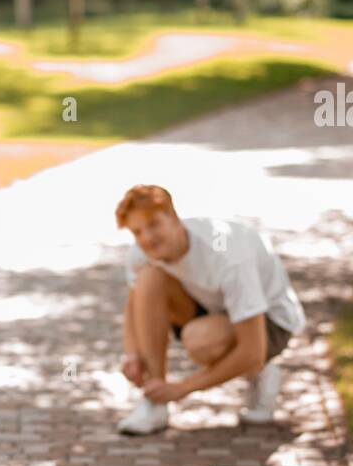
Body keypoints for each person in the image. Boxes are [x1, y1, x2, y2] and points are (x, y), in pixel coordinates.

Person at [114, 184, 305, 435]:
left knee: (201, 340)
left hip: (271, 323)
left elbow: (252, 350)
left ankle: (261, 372)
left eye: (153, 224)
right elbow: (134, 305)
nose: (147, 238)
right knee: (148, 279)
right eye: (137, 231)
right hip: (213, 309)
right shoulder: (141, 253)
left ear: (172, 215)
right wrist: (132, 354)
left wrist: (181, 389)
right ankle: (154, 402)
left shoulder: (227, 254)